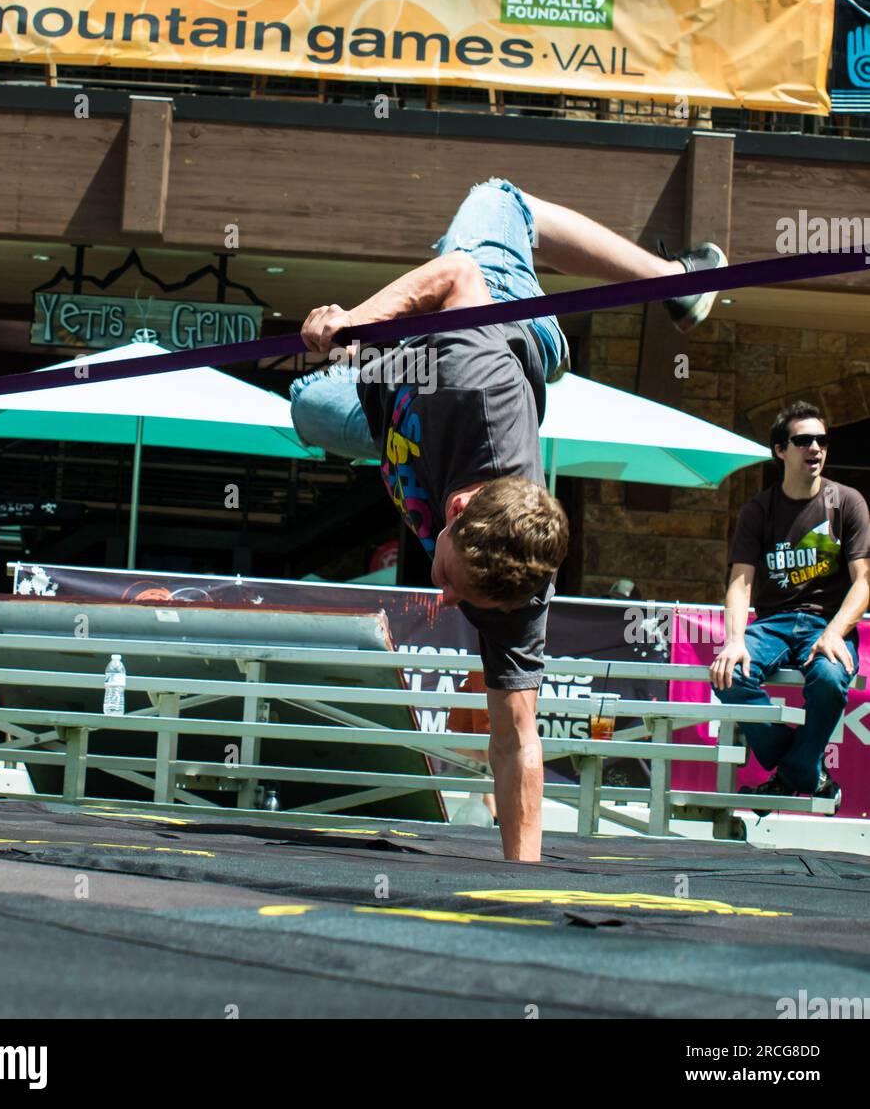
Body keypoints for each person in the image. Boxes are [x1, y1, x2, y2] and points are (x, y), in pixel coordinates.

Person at [290, 177, 727, 860]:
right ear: (458, 510)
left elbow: (517, 738)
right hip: (497, 320)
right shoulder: (475, 385)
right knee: (499, 202)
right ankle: (676, 282)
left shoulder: (515, 588)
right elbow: (457, 274)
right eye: (453, 579)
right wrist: (356, 321)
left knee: (310, 405)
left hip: (393, 398)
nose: (447, 598)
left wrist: (521, 886)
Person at [711, 401, 870, 810]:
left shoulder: (848, 502)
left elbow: (864, 583)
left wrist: (835, 632)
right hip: (774, 623)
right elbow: (740, 583)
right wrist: (734, 640)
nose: (815, 447)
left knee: (832, 679)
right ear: (780, 450)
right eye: (803, 440)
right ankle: (803, 769)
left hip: (824, 625)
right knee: (728, 675)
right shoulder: (757, 511)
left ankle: (787, 775)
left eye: (822, 440)